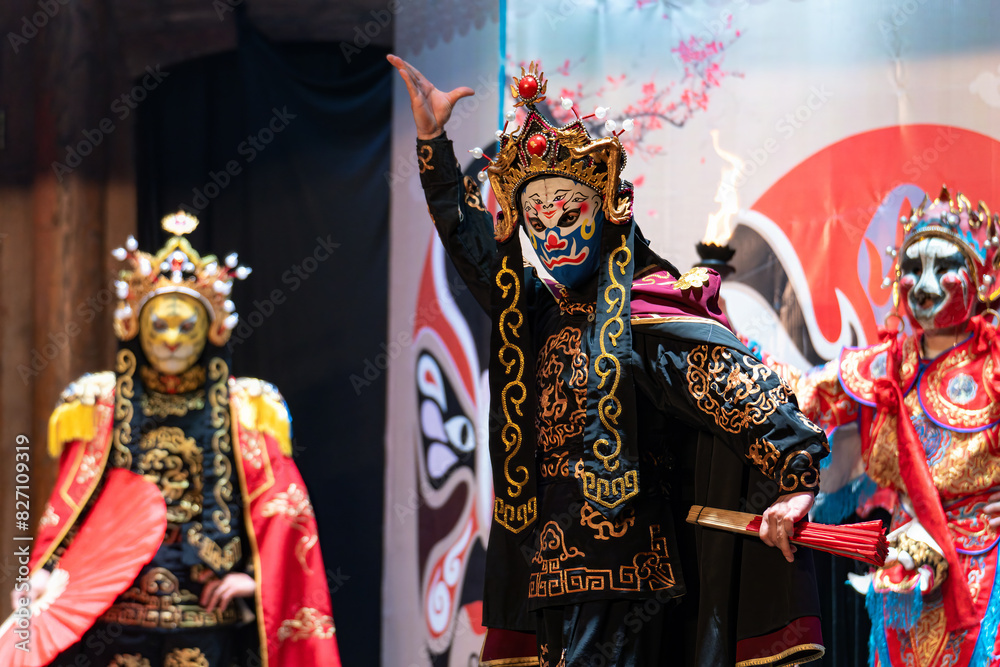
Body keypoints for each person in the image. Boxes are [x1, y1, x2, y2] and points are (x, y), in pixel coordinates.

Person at [389, 54, 830, 667]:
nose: (553, 238)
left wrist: (795, 478)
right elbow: (472, 248)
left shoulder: (645, 315)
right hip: (549, 570)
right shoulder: (537, 314)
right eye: (537, 223)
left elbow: (739, 387)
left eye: (569, 215)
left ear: (606, 212)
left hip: (628, 576)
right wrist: (434, 147)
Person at [13, 212, 342, 666]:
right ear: (135, 326)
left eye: (185, 327)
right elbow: (73, 500)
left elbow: (282, 507)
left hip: (205, 614)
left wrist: (256, 578)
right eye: (160, 326)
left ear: (212, 329)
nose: (171, 340)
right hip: (115, 609)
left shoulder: (243, 408)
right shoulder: (102, 403)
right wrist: (44, 570)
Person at [771, 188, 1000, 666]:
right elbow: (800, 393)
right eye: (913, 267)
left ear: (979, 276)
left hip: (984, 556)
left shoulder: (994, 361)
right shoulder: (885, 365)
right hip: (904, 559)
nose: (925, 284)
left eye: (944, 267)